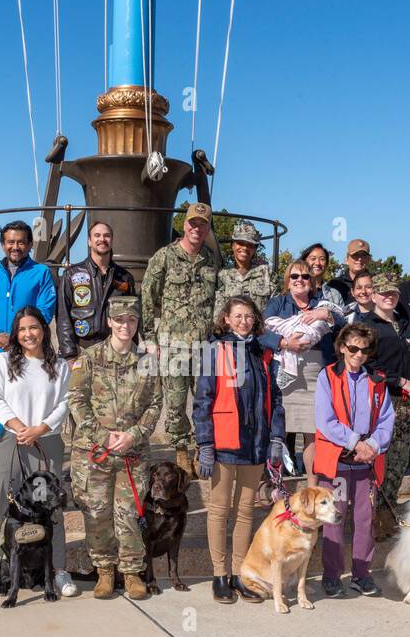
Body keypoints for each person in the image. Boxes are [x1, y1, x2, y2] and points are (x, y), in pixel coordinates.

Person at [67, 296, 163, 601]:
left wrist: (134, 434)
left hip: (132, 454)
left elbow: (155, 403)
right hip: (94, 452)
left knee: (128, 513)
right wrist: (101, 436)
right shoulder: (90, 358)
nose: (125, 326)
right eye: (120, 320)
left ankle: (132, 572)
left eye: (131, 320)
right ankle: (105, 570)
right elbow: (76, 400)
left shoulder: (147, 361)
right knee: (97, 512)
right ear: (109, 321)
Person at [0, 306, 74, 599]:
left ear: (44, 329)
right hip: (8, 440)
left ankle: (58, 569)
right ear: (15, 334)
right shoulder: (2, 363)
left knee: (51, 507)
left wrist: (39, 429)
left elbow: (65, 402)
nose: (29, 334)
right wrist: (20, 427)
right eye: (22, 329)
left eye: (34, 327)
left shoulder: (59, 366)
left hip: (46, 441)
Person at [193, 297, 285, 604]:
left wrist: (276, 438)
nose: (244, 320)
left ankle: (239, 573)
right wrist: (205, 443)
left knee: (246, 512)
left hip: (256, 444)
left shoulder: (264, 352)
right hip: (223, 443)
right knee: (219, 512)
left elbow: (276, 399)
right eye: (238, 316)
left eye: (249, 316)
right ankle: (219, 575)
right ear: (227, 319)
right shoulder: (213, 351)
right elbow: (203, 400)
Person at [313, 323, 394, 598]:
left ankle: (362, 574)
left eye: (364, 349)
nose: (358, 354)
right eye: (353, 348)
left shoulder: (377, 382)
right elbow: (325, 421)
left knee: (365, 520)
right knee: (334, 520)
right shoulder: (328, 376)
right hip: (337, 462)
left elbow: (386, 420)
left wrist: (372, 445)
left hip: (366, 464)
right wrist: (354, 442)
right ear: (342, 348)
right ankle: (332, 576)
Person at [141, 202, 219, 477]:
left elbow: (217, 302)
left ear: (207, 228)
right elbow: (148, 298)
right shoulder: (164, 257)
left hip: (203, 346)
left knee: (205, 400)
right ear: (184, 225)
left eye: (203, 225)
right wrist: (150, 338)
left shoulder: (211, 260)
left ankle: (202, 447)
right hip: (172, 346)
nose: (197, 229)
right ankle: (181, 452)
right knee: (174, 404)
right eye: (193, 223)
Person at [355, 273, 410, 519]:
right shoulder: (366, 326)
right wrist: (398, 380)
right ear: (373, 296)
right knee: (379, 459)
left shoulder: (407, 325)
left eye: (392, 293)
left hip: (407, 405)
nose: (388, 297)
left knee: (399, 462)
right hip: (381, 402)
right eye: (383, 293)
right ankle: (370, 515)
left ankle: (386, 512)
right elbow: (365, 365)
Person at [260, 260, 345, 486]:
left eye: (305, 276)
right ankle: (275, 484)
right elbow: (259, 331)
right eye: (295, 276)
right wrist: (284, 342)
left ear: (312, 281)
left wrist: (326, 315)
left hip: (316, 372)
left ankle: (312, 486)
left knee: (312, 432)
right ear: (288, 281)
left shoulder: (321, 303)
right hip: (284, 371)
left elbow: (343, 325)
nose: (300, 280)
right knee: (279, 430)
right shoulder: (277, 303)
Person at [0, 220, 57, 362]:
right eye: (10, 242)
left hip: (30, 354)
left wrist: (17, 337)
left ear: (30, 245)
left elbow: (45, 311)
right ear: (3, 245)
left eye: (21, 242)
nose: (15, 247)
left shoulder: (41, 273)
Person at [56, 220, 136, 361]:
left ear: (112, 240)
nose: (102, 239)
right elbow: (63, 318)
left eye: (107, 236)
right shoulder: (71, 275)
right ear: (89, 241)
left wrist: (133, 350)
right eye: (97, 235)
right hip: (82, 351)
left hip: (116, 351)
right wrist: (70, 355)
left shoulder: (125, 277)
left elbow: (132, 317)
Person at [213, 220, 274, 315]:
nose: (245, 248)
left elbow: (279, 304)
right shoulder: (222, 275)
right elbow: (217, 312)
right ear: (232, 245)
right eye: (240, 243)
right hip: (230, 329)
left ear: (255, 249)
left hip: (261, 329)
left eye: (250, 245)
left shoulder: (267, 273)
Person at [325, 239, 371, 306]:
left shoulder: (376, 282)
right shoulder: (335, 284)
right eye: (355, 255)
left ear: (368, 260)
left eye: (363, 256)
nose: (359, 259)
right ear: (346, 260)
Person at [300, 242, 346, 307]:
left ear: (326, 264)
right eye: (313, 258)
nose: (317, 263)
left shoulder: (334, 294)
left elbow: (341, 316)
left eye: (322, 259)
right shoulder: (297, 289)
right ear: (304, 262)